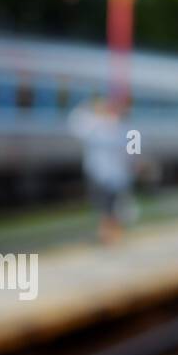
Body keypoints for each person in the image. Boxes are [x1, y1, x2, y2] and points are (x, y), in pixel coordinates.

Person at [68, 96, 133, 244]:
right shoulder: (95, 125)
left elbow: (132, 152)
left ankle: (113, 236)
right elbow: (75, 122)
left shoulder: (124, 128)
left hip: (117, 176)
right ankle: (108, 237)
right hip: (99, 175)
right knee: (105, 208)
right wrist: (89, 105)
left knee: (114, 208)